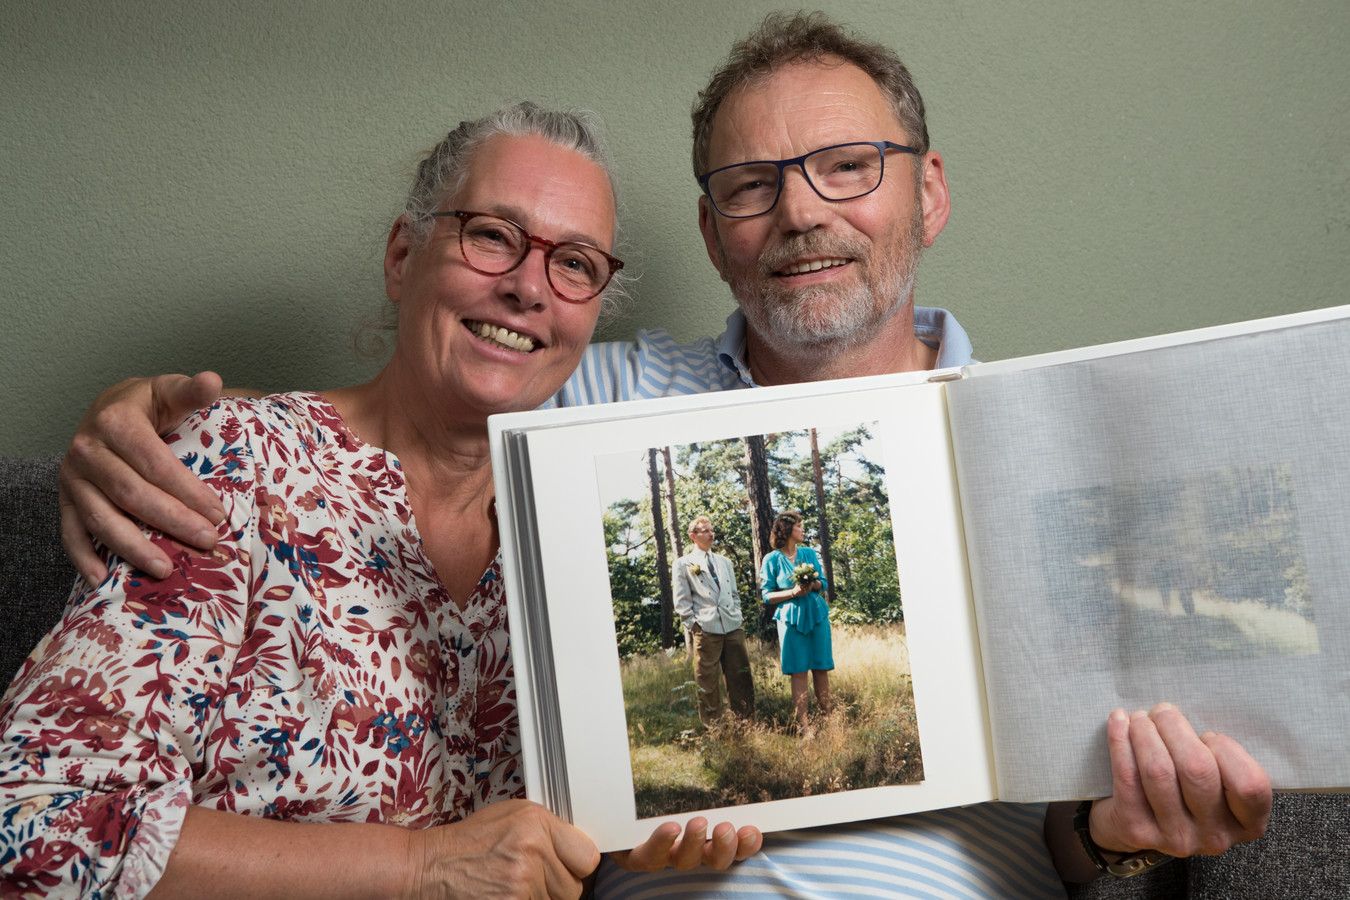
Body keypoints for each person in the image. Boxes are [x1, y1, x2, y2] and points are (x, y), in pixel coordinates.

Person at [53, 12, 1273, 900]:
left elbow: (1075, 844)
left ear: (928, 193)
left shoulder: (1041, 446)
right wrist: (152, 423)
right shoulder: (607, 395)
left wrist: (1119, 832)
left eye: (847, 168)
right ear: (711, 228)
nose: (801, 212)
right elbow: (421, 407)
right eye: (753, 185)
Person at [0, 101, 762, 898]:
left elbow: (538, 848)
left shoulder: (567, 527)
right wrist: (420, 869)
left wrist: (634, 829)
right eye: (493, 235)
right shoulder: (238, 463)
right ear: (403, 256)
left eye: (574, 263)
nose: (528, 288)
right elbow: (33, 823)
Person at [672, 515, 753, 724]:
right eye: (705, 531)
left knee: (740, 676)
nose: (711, 534)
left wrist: (738, 615)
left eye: (711, 530)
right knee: (707, 679)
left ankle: (745, 722)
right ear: (693, 536)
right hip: (706, 629)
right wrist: (694, 625)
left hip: (732, 625)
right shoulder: (683, 564)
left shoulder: (724, 562)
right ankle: (713, 726)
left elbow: (734, 594)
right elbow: (681, 601)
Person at [760, 511, 832, 735]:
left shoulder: (809, 553)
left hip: (816, 614)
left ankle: (829, 719)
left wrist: (814, 585)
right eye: (799, 526)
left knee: (821, 667)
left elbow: (824, 582)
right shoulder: (771, 559)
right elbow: (767, 595)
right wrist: (792, 592)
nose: (803, 530)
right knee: (799, 671)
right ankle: (805, 727)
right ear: (787, 530)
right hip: (791, 618)